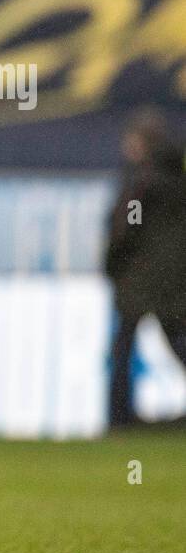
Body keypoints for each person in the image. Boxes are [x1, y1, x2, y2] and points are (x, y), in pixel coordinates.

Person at [105, 107, 186, 428]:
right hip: (176, 278)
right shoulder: (178, 182)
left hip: (138, 276)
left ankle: (119, 418)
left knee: (123, 347)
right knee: (178, 339)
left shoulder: (141, 180)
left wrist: (112, 264)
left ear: (140, 142)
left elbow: (125, 227)